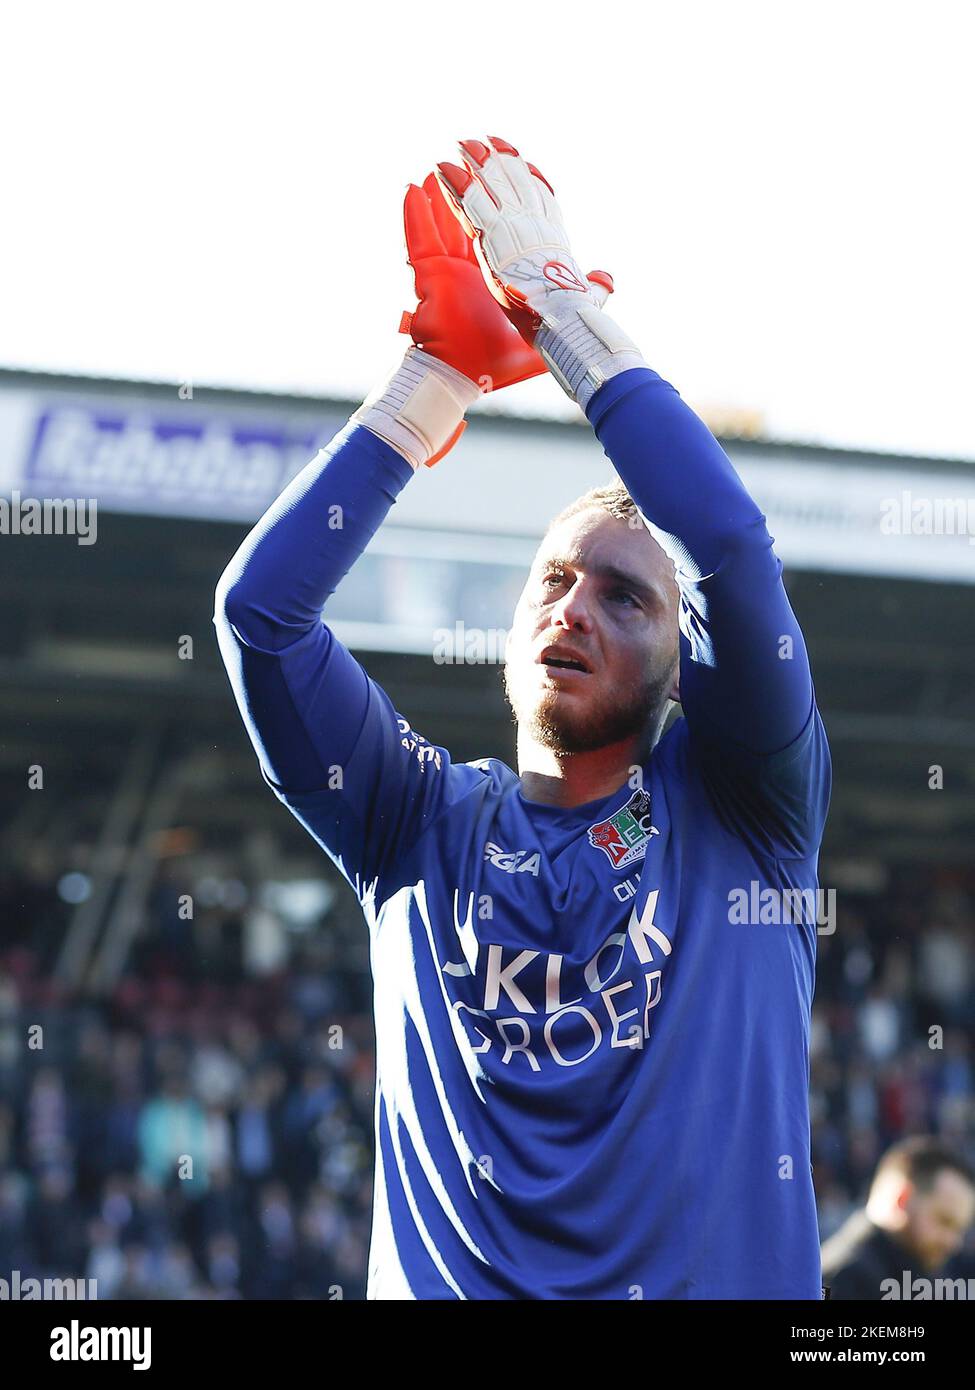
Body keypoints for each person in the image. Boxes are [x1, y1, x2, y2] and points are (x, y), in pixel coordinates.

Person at [214, 135, 832, 1299]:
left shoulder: (750, 806)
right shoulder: (410, 821)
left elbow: (739, 556)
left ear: (686, 660)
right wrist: (431, 383)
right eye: (554, 580)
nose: (576, 610)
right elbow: (261, 618)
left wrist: (561, 315)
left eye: (625, 595)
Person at [822, 1137, 975, 1299]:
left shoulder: (924, 1275)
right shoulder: (841, 1280)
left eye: (959, 1229)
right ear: (902, 1199)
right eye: (944, 1221)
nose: (954, 1243)